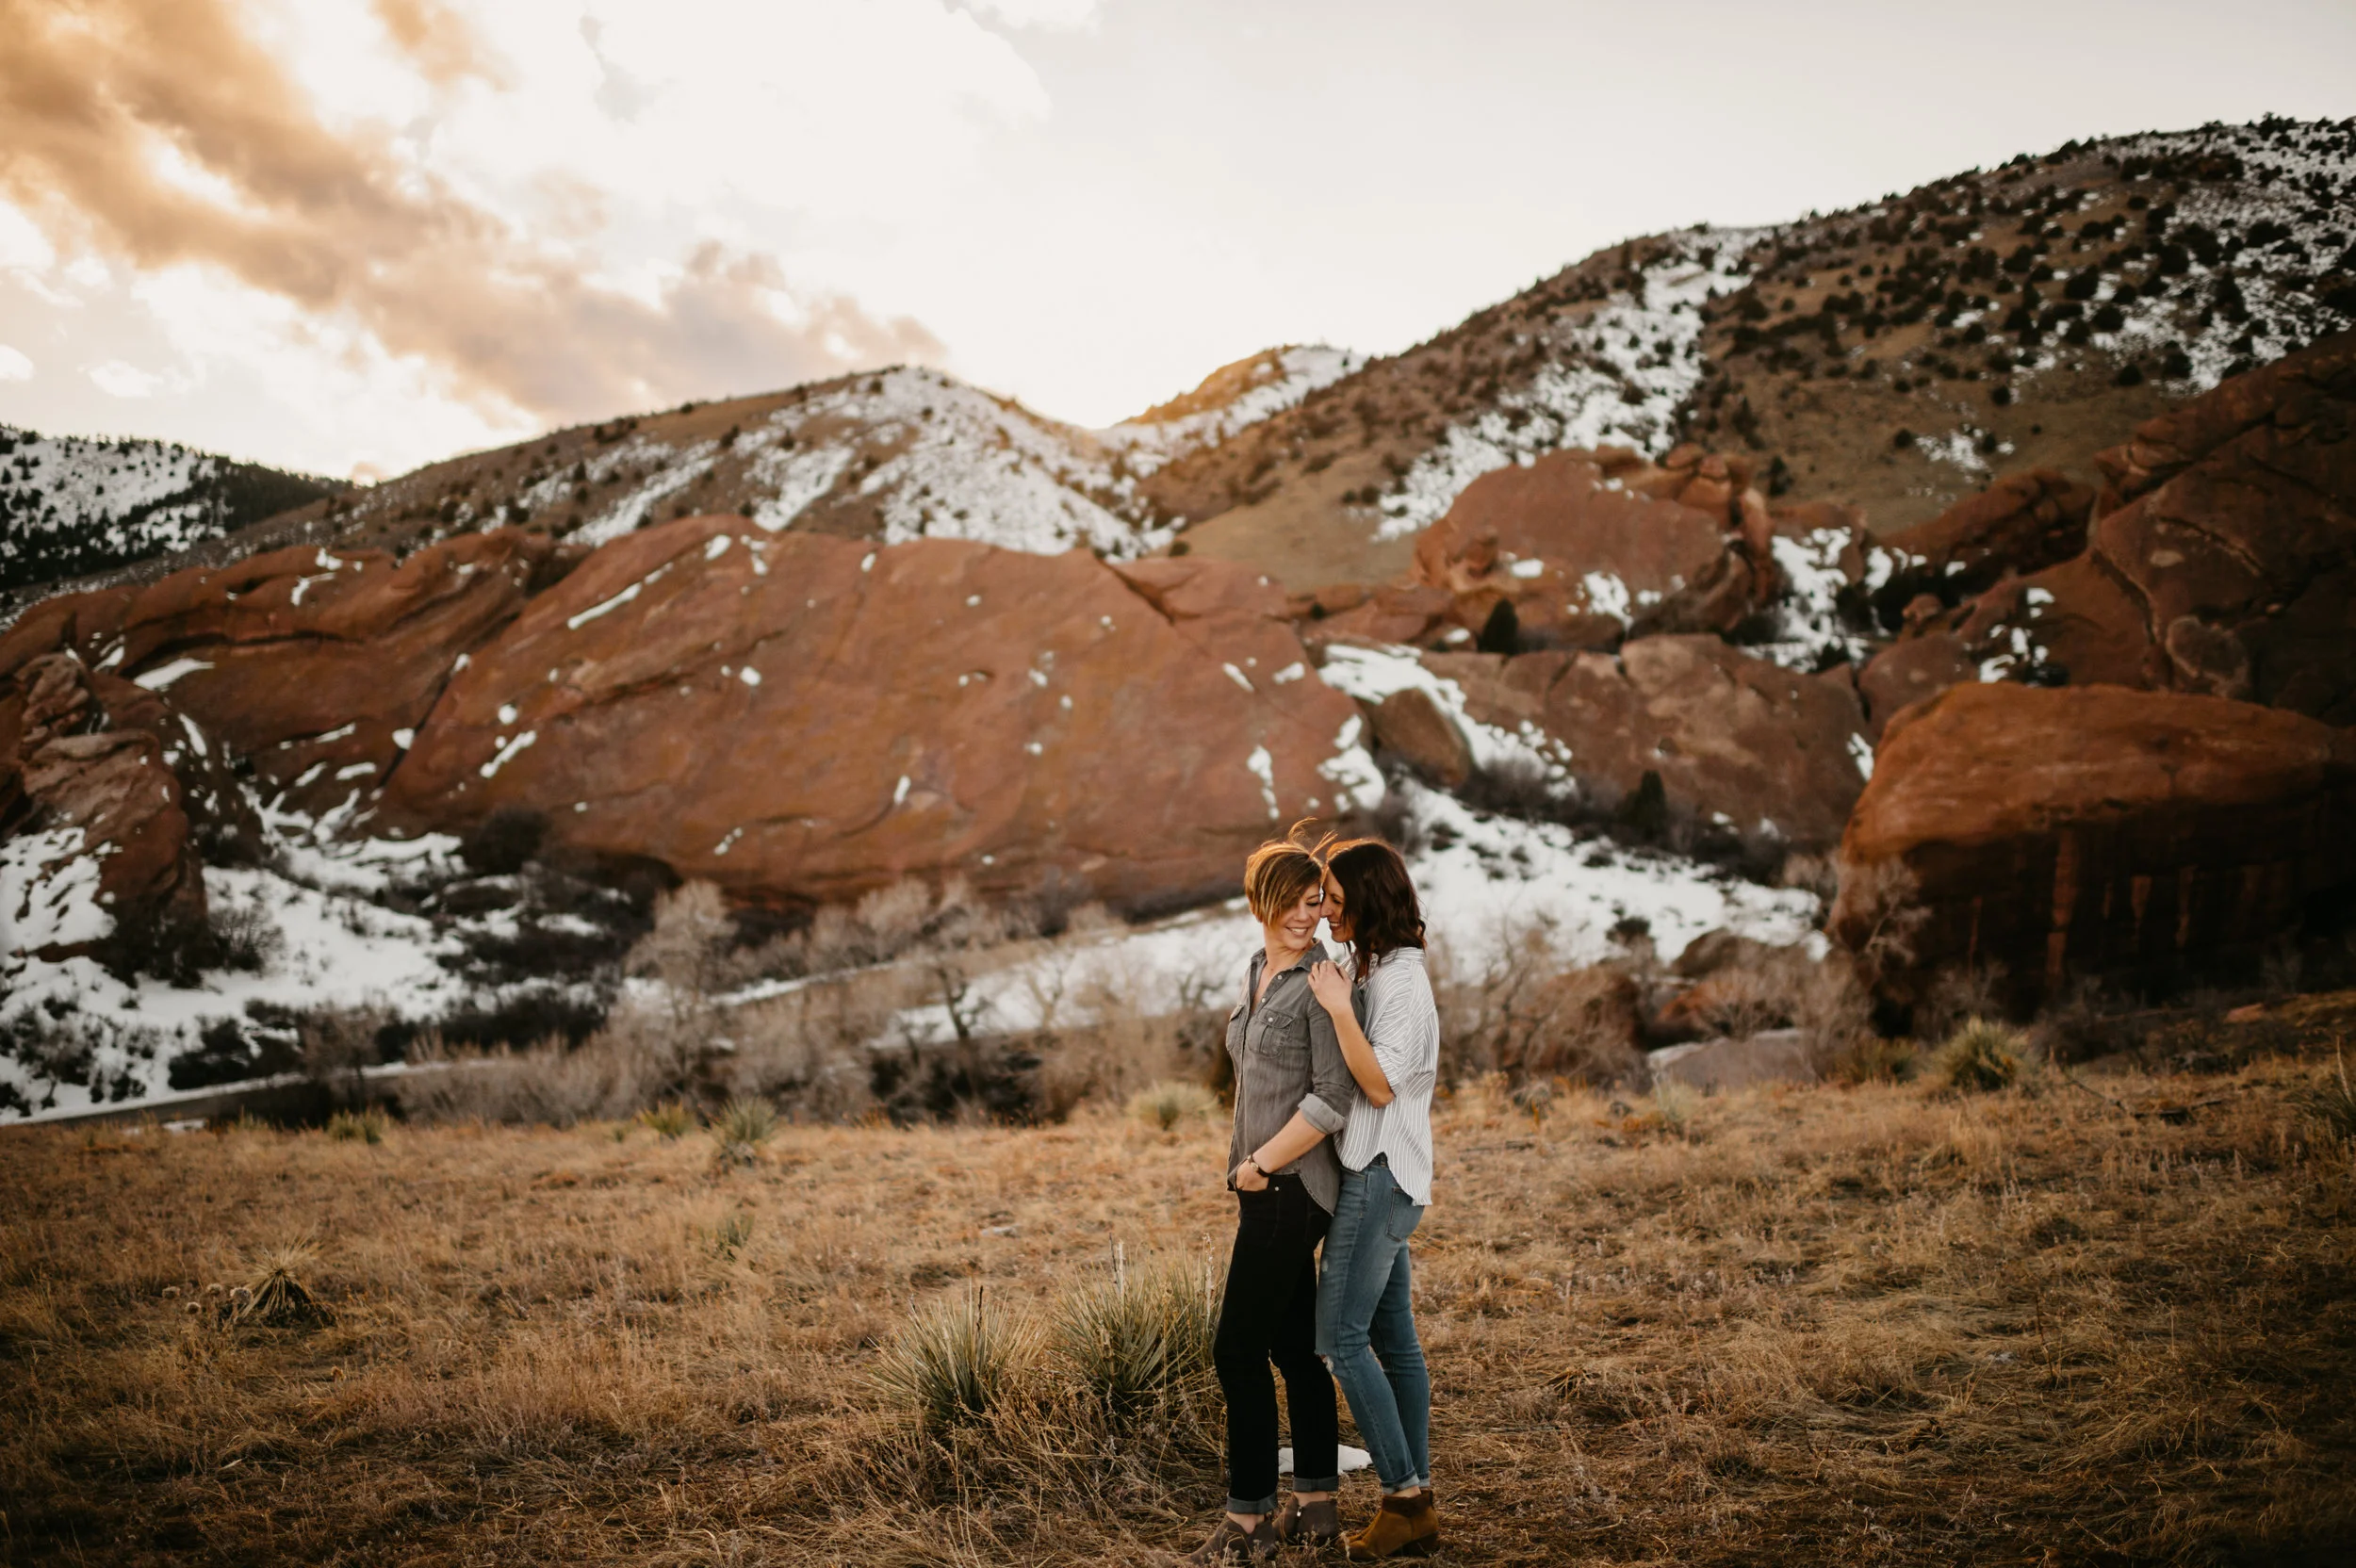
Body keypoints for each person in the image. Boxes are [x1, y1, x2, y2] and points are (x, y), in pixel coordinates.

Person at [1175, 831, 1359, 1565]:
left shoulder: (1320, 982)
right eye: (1292, 902)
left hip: (1290, 1187)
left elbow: (1332, 1097)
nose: (1304, 916)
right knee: (1292, 1350)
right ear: (1261, 900)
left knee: (1235, 1351)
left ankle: (1247, 1522)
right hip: (1264, 1187)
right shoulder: (1258, 967)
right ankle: (1316, 1506)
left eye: (1315, 904)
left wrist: (1258, 1165)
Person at [1306, 837, 1441, 1560]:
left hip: (1379, 1173)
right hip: (1394, 1175)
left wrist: (1336, 1009)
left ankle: (1403, 1497)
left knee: (1340, 1342)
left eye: (1333, 897)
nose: (1326, 912)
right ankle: (1418, 1503)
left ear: (1367, 896)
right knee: (1395, 1342)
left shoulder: (1401, 985)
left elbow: (1381, 1084)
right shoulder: (1385, 966)